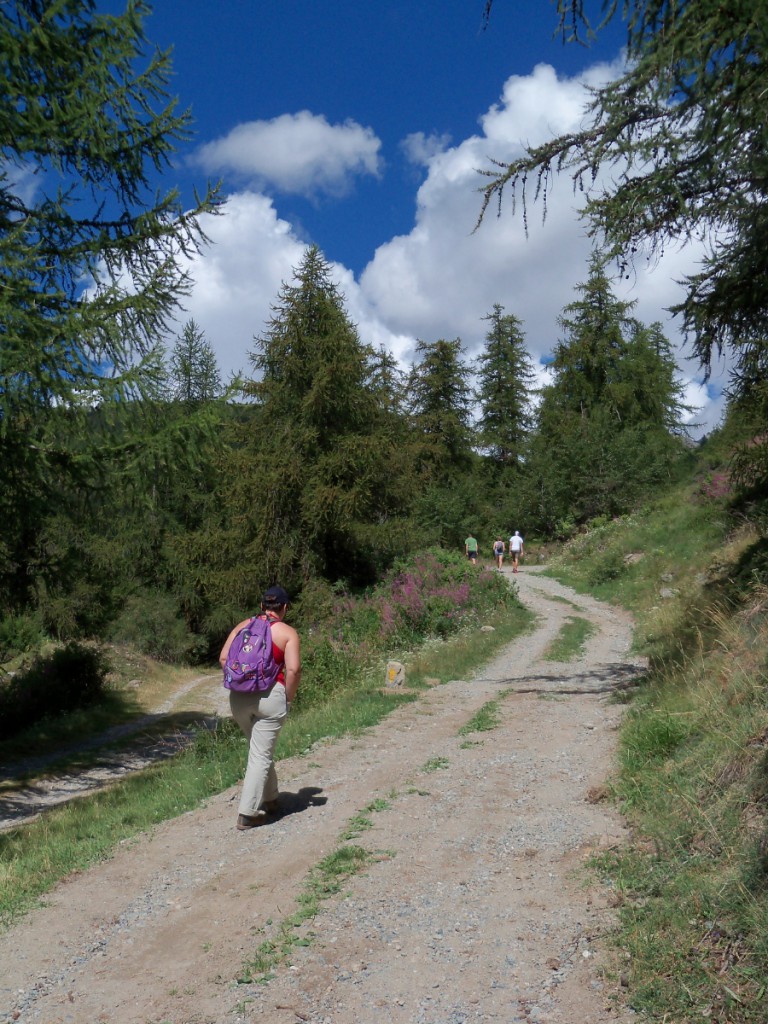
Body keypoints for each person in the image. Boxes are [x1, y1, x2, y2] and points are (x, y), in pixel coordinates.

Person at [219, 585, 301, 831]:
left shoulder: (242, 627)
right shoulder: (287, 633)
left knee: (259, 751)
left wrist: (242, 682)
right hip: (270, 696)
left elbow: (224, 658)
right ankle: (249, 813)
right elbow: (294, 670)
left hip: (238, 698)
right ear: (284, 607)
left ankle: (271, 798)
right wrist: (287, 697)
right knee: (260, 754)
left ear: (262, 606)